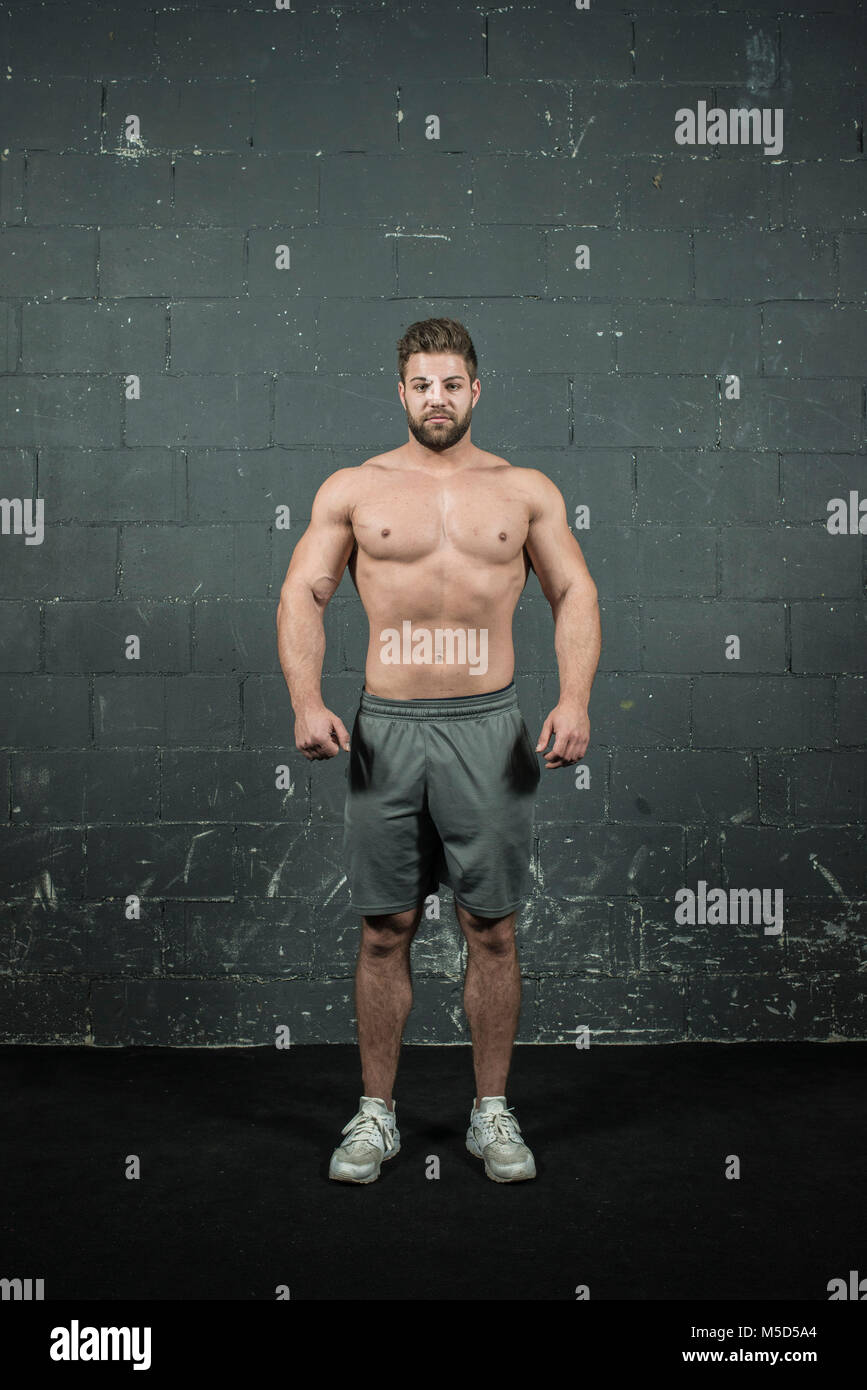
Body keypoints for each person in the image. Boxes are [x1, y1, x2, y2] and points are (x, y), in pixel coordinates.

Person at [276, 317, 600, 1182]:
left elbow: (573, 590)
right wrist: (306, 701)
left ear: (475, 390)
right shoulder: (355, 488)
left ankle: (492, 1114)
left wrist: (574, 698)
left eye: (452, 384)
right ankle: (374, 1115)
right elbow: (302, 593)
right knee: (386, 928)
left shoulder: (522, 489)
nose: (437, 399)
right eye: (422, 385)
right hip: (387, 729)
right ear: (401, 393)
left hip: (489, 729)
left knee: (489, 927)